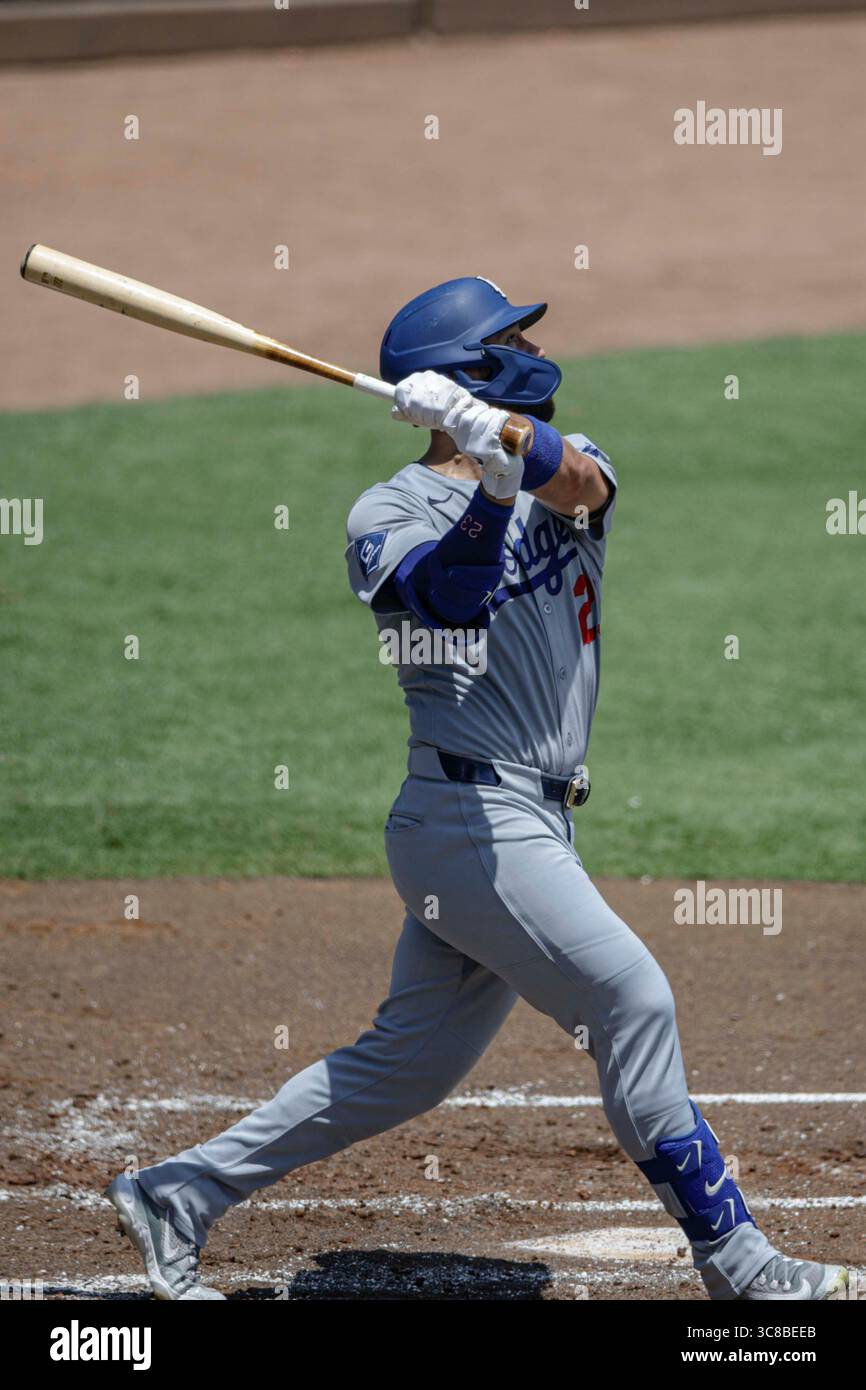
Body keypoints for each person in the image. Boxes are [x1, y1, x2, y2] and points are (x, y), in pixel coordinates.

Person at [106, 276, 847, 1302]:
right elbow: (447, 604)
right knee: (631, 999)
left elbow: (578, 482)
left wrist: (493, 441)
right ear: (464, 366)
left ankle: (177, 1193)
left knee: (407, 1065)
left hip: (528, 821)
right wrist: (489, 489)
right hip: (467, 820)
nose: (534, 354)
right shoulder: (386, 511)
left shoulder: (566, 464)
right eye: (511, 341)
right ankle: (742, 1266)